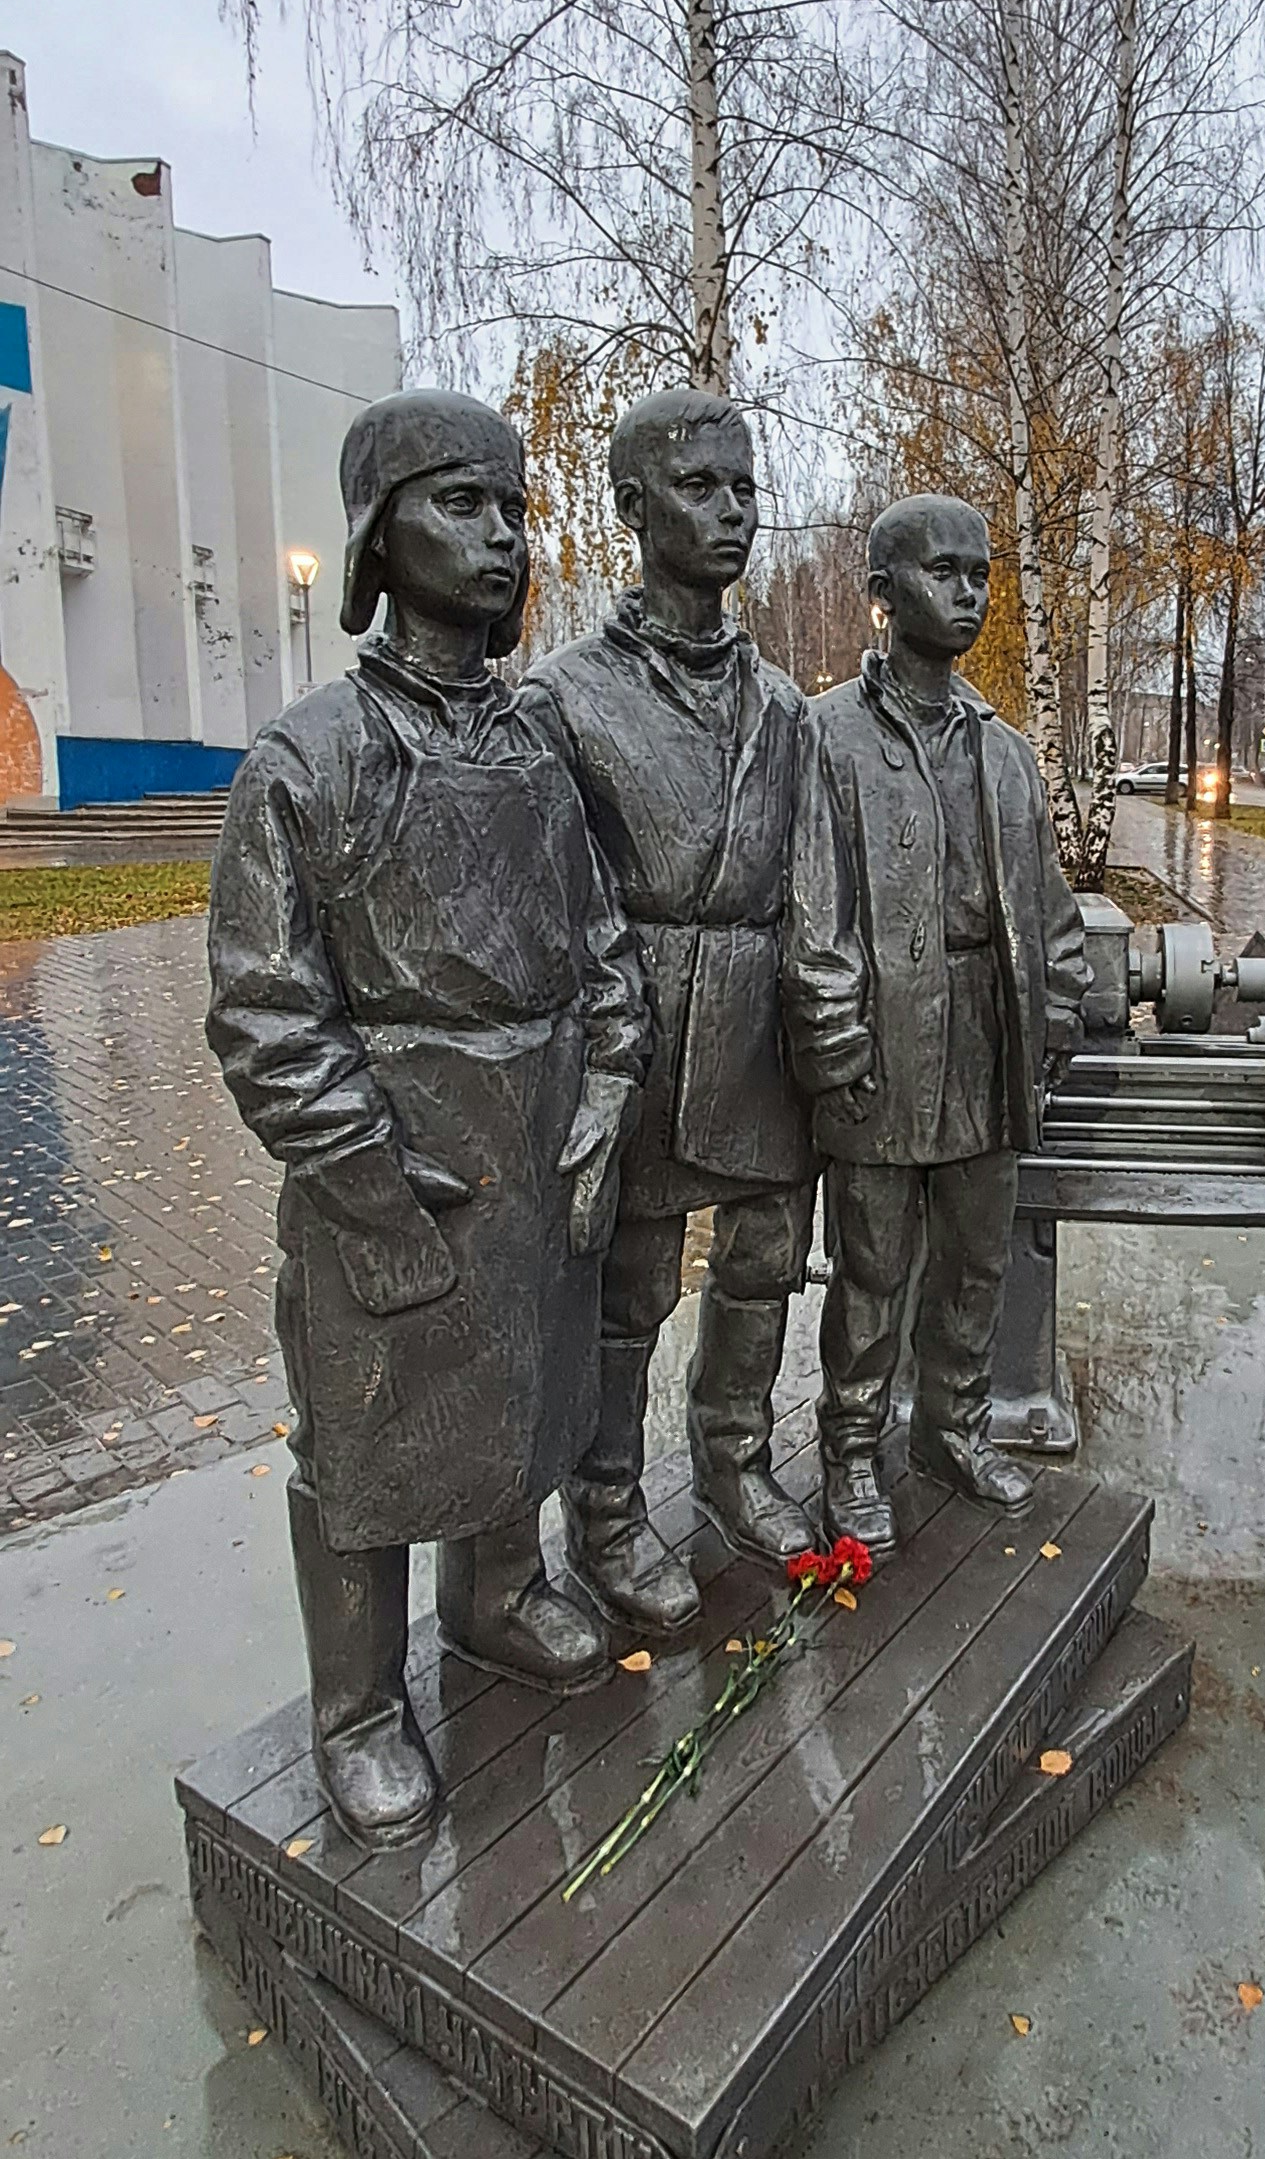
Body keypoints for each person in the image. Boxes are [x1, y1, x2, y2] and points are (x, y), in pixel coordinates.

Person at [206, 392, 650, 1850]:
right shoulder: (309, 759)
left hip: (538, 1142)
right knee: (371, 1435)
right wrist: (369, 1172)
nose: (505, 537)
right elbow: (267, 1014)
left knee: (524, 1393)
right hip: (395, 1165)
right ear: (376, 536)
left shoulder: (537, 747)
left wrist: (600, 1094)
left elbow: (604, 952)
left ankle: (498, 1593)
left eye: (515, 508)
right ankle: (356, 1705)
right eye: (462, 504)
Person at [521, 389, 815, 1629]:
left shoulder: (785, 705)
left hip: (759, 1019)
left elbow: (815, 881)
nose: (734, 511)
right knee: (627, 1285)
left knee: (762, 1257)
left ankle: (735, 1464)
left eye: (745, 487)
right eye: (701, 488)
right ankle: (605, 1509)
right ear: (633, 510)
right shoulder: (565, 699)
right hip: (633, 1025)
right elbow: (549, 907)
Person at [782, 494, 1089, 1553]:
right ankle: (852, 1450)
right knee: (872, 1268)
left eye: (981, 574)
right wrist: (835, 1051)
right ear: (882, 596)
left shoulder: (1002, 750)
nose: (969, 593)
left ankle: (951, 1431)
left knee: (973, 1261)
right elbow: (811, 911)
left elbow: (1047, 903)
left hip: (987, 1042)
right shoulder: (825, 737)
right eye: (944, 573)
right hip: (883, 1040)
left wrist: (1053, 1021)